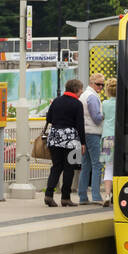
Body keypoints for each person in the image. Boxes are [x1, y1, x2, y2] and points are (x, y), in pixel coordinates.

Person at [43, 78, 86, 207]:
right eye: (81, 89)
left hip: (55, 138)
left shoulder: (56, 101)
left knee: (56, 167)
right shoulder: (77, 104)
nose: (81, 91)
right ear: (77, 90)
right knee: (70, 168)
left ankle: (49, 194)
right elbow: (80, 125)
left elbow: (49, 118)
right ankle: (65, 198)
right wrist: (83, 143)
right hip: (72, 140)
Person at [76, 72, 106, 204]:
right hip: (93, 133)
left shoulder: (84, 95)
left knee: (86, 165)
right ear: (92, 83)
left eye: (102, 85)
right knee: (97, 164)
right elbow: (96, 118)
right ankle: (96, 195)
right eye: (98, 84)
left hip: (85, 132)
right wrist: (105, 114)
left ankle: (82, 195)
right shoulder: (93, 97)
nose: (100, 87)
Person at [100, 77, 117, 205]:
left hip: (107, 137)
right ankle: (116, 194)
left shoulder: (105, 104)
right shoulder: (123, 103)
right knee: (119, 167)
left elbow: (102, 117)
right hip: (120, 137)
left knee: (109, 167)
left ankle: (107, 195)